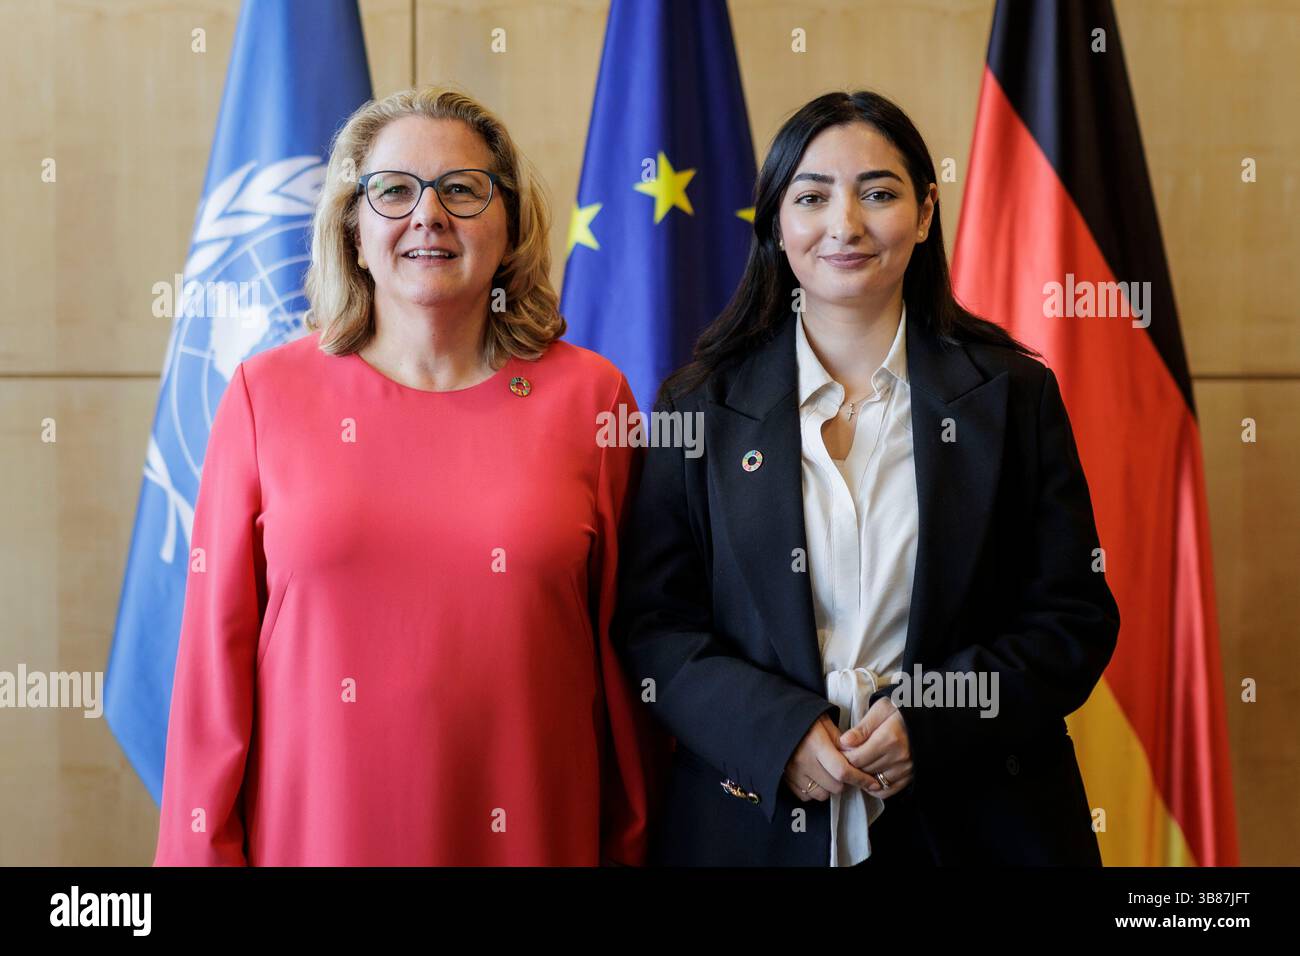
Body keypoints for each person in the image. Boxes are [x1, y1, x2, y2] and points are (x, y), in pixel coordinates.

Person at [154, 86, 661, 866]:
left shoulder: (593, 398)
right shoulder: (265, 396)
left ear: (510, 226)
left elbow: (634, 668)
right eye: (393, 191)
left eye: (463, 189)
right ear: (354, 231)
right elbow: (209, 683)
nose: (429, 214)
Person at [612, 90, 1120, 866]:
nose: (845, 225)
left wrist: (935, 718)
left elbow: (1072, 618)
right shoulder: (697, 406)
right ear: (777, 225)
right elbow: (655, 626)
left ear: (923, 214)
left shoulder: (1013, 397)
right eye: (812, 197)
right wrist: (775, 731)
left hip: (979, 826)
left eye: (878, 194)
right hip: (750, 830)